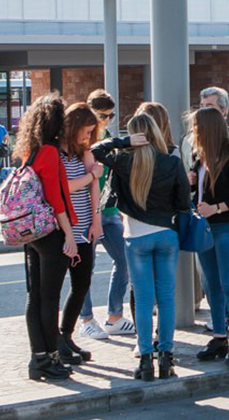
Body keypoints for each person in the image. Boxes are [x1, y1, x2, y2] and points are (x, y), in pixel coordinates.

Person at [92, 113, 191, 381]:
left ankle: (145, 361)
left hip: (136, 237)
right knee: (167, 300)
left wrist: (123, 142)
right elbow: (184, 203)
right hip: (167, 235)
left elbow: (95, 150)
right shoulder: (171, 162)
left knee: (144, 301)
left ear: (135, 135)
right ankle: (167, 360)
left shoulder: (124, 161)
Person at [181, 86, 229, 325]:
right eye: (202, 108)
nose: (204, 114)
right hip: (204, 222)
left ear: (223, 111)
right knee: (209, 277)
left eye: (210, 108)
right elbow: (192, 181)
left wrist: (225, 206)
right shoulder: (190, 144)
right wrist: (191, 184)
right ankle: (218, 325)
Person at [14, 95, 79, 381]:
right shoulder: (50, 153)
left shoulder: (31, 150)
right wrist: (70, 234)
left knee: (36, 297)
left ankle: (37, 357)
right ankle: (50, 357)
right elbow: (56, 199)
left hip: (32, 232)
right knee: (50, 298)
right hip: (50, 231)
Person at [189, 107, 229, 369]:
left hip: (225, 226)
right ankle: (218, 337)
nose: (194, 132)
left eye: (196, 127)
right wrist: (191, 183)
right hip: (205, 228)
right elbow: (198, 192)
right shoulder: (198, 157)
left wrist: (217, 207)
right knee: (211, 284)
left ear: (208, 129)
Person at [78, 89, 137, 340]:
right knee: (84, 269)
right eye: (103, 115)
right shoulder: (82, 141)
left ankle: (114, 316)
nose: (107, 120)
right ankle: (86, 319)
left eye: (111, 115)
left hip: (110, 210)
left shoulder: (111, 138)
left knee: (124, 261)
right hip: (86, 212)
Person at [56, 104, 105, 366]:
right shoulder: (55, 153)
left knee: (82, 282)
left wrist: (96, 219)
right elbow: (64, 188)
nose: (88, 138)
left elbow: (95, 185)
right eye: (86, 132)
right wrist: (90, 176)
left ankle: (67, 334)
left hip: (85, 226)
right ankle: (56, 341)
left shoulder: (83, 152)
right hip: (62, 228)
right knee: (54, 285)